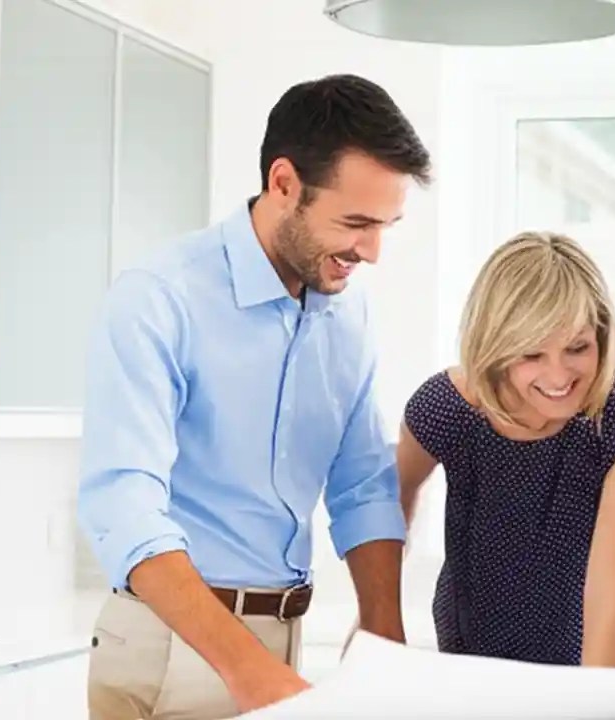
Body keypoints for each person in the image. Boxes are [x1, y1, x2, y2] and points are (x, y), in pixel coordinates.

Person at [77, 73, 431, 720]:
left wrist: (381, 631)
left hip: (279, 639)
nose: (372, 251)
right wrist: (247, 670)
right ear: (283, 183)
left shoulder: (346, 315)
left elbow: (361, 486)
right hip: (171, 646)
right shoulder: (160, 296)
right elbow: (123, 507)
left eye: (386, 225)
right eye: (355, 223)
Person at [396, 231, 615, 668]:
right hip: (475, 655)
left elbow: (608, 600)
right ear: (495, 349)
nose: (558, 375)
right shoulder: (447, 407)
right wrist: (376, 624)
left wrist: (604, 705)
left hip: (599, 658)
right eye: (531, 355)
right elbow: (388, 504)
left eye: (577, 347)